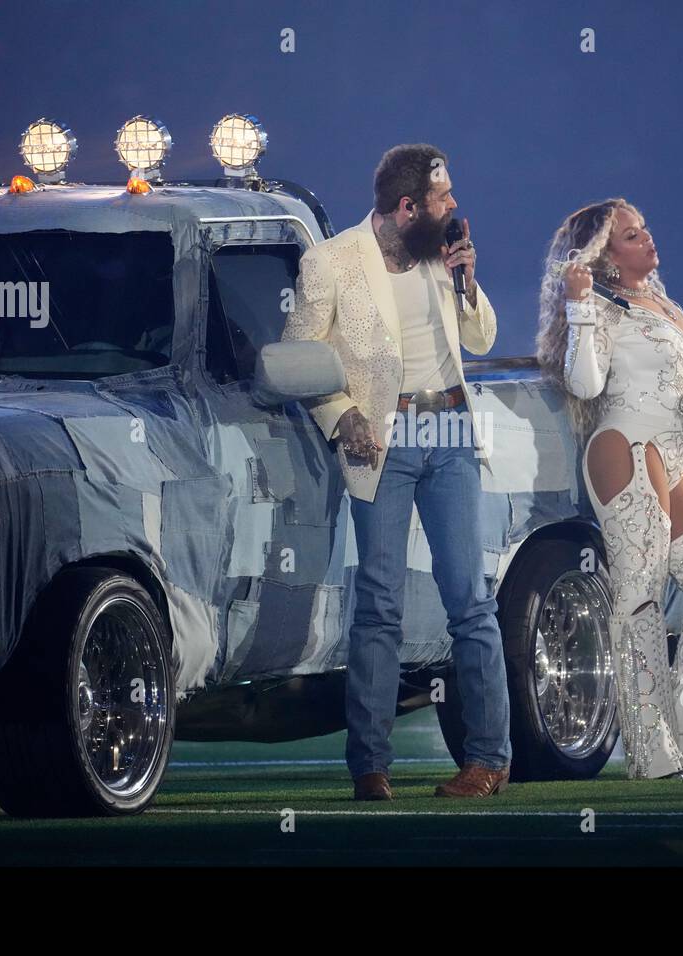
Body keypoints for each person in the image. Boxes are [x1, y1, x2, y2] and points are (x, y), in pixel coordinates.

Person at [280, 143, 512, 800]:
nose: (454, 206)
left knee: (470, 597)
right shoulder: (332, 262)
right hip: (382, 437)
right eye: (442, 198)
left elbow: (485, 338)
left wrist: (468, 282)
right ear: (406, 207)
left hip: (451, 428)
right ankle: (370, 766)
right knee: (379, 603)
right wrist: (340, 412)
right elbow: (300, 354)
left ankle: (488, 760)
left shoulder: (444, 252)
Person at [537, 199, 683, 779]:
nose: (648, 239)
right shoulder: (600, 306)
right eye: (632, 235)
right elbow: (584, 381)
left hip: (673, 456)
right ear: (606, 256)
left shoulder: (660, 299)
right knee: (641, 595)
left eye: (645, 228)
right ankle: (648, 751)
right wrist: (578, 307)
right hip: (624, 447)